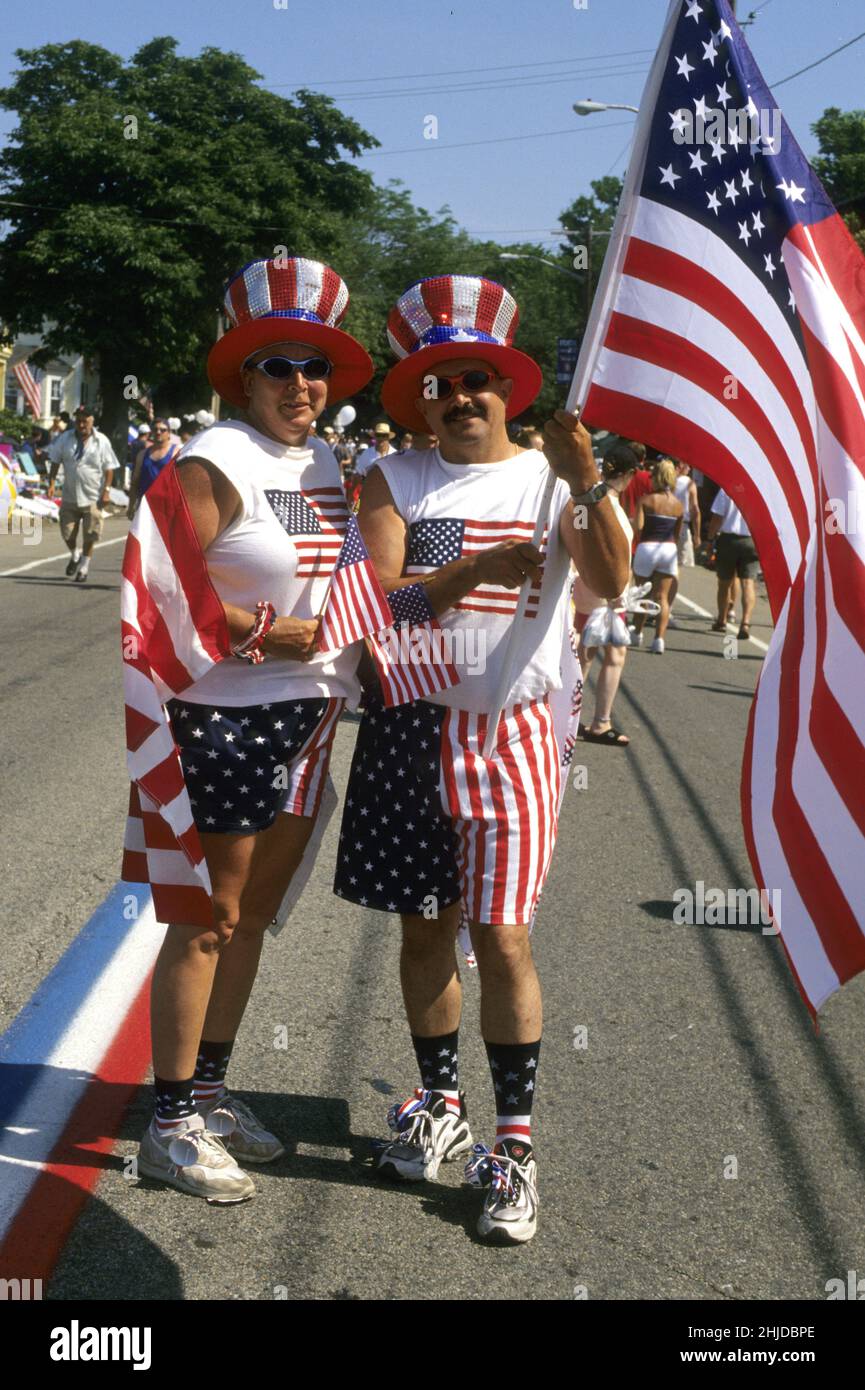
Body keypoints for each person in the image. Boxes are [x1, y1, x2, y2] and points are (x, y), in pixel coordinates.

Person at [334, 274, 630, 1243]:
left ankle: (514, 1148)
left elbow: (608, 579)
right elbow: (381, 606)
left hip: (510, 733)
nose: (461, 396)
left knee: (500, 937)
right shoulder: (395, 479)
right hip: (413, 726)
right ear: (421, 394)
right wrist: (466, 572)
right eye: (441, 381)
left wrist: (587, 483)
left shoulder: (548, 479)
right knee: (425, 931)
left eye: (478, 380)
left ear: (509, 389)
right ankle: (441, 1108)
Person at [131, 255, 373, 1203]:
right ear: (240, 375)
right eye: (279, 365)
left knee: (255, 922)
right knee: (208, 923)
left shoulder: (319, 461)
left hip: (309, 718)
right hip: (221, 720)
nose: (302, 385)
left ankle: (210, 1090)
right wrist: (266, 635)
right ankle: (168, 1125)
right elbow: (160, 589)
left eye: (314, 366)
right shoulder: (212, 459)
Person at [573, 443, 638, 745]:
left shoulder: (590, 502)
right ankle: (596, 721)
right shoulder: (613, 510)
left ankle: (572, 717)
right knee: (601, 657)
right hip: (607, 597)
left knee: (584, 657)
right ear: (629, 474)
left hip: (588, 592)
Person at [46, 406, 118, 582]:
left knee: (90, 533)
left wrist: (107, 491)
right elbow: (55, 461)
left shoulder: (101, 441)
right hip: (70, 494)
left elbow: (109, 468)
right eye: (78, 419)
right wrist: (52, 483)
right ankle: (75, 554)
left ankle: (84, 567)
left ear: (92, 421)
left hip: (92, 496)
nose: (81, 423)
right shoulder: (65, 438)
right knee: (67, 532)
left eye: (85, 420)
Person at [631, 457, 683, 654]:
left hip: (647, 546)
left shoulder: (646, 500)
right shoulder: (678, 505)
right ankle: (659, 639)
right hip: (668, 549)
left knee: (642, 593)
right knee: (662, 597)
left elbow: (639, 528)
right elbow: (676, 535)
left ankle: (637, 633)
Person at [705, 488, 759, 640]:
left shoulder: (726, 488)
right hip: (751, 539)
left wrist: (710, 539)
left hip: (728, 539)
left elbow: (717, 517)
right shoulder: (758, 489)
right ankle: (746, 623)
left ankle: (722, 619)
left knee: (724, 582)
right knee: (748, 582)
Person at [126, 418, 179, 519]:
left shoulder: (176, 453)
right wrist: (131, 506)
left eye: (162, 430)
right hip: (145, 508)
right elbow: (135, 482)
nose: (158, 432)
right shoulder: (142, 454)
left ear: (169, 433)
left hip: (167, 509)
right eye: (155, 429)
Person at [619, 441, 652, 521]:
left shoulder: (618, 476)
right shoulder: (650, 477)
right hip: (641, 522)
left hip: (620, 520)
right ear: (644, 457)